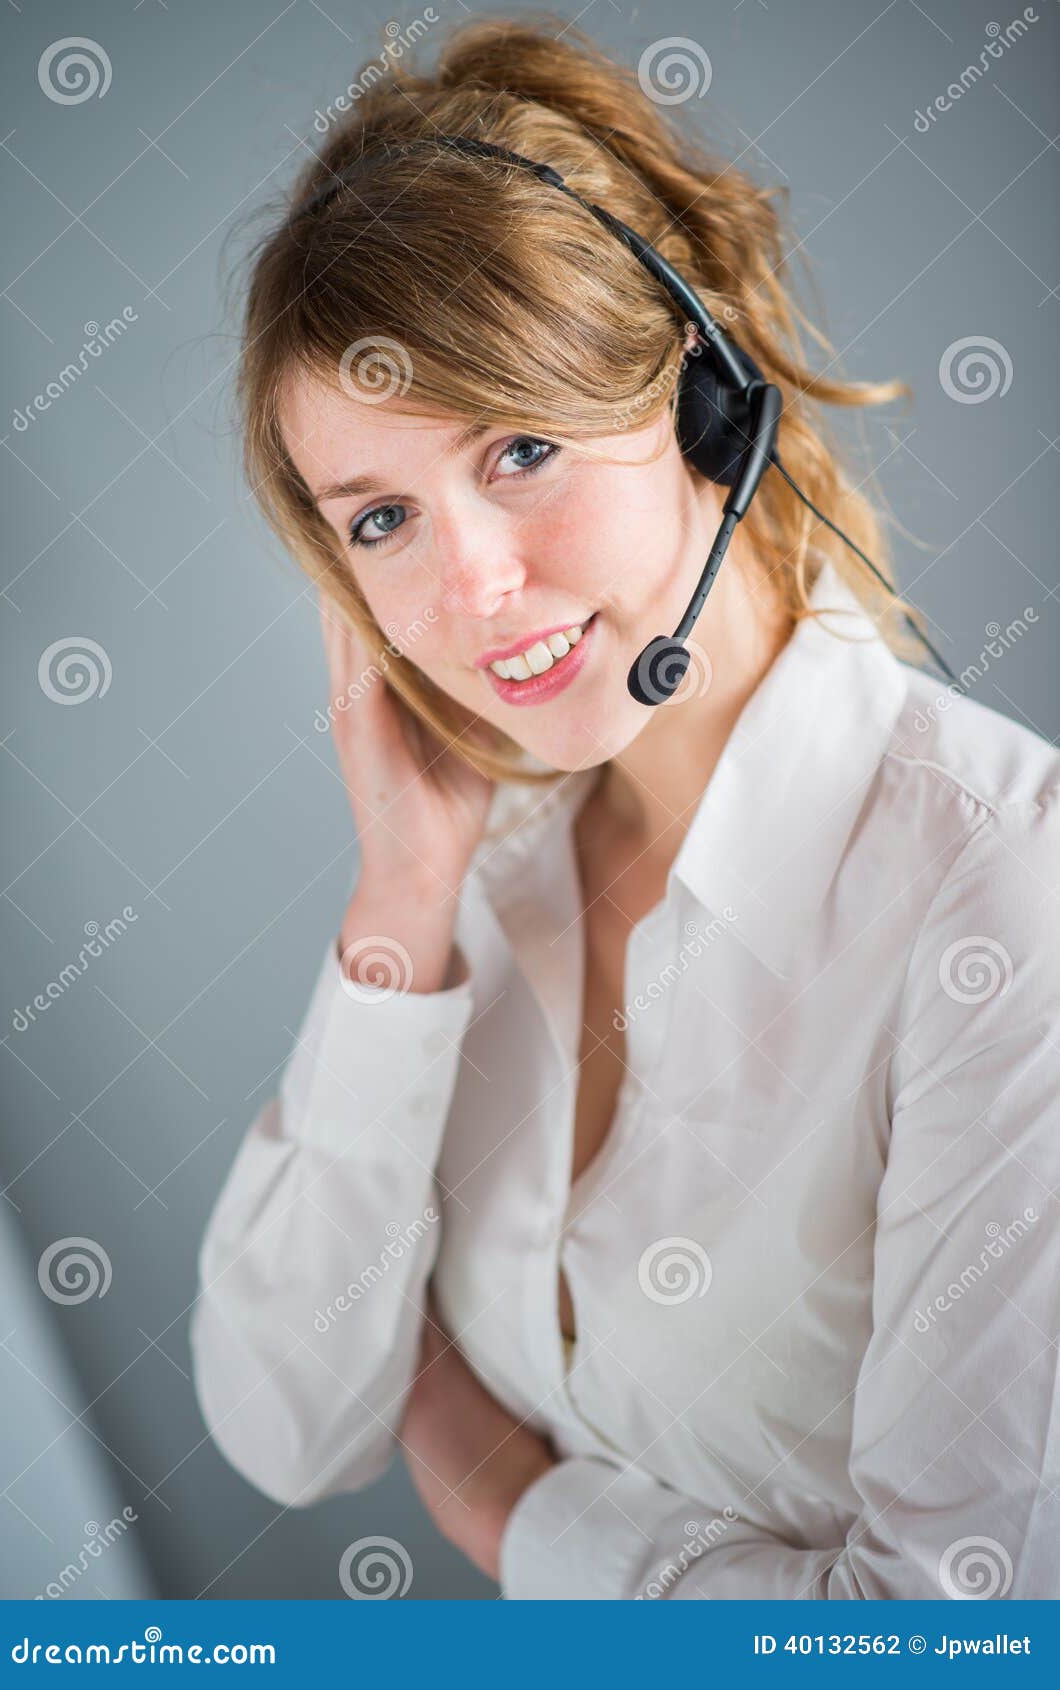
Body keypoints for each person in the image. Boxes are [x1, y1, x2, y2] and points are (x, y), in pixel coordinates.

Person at [191, 16, 1060, 1599]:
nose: (467, 589)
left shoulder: (1004, 886)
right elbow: (289, 1424)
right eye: (381, 517)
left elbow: (945, 1631)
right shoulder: (482, 872)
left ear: (709, 400)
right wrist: (400, 901)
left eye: (519, 448)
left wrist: (503, 1503)